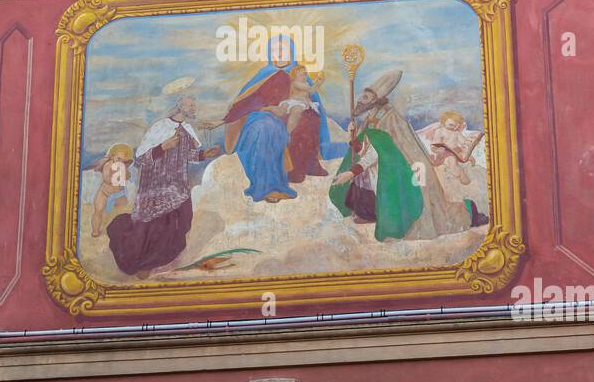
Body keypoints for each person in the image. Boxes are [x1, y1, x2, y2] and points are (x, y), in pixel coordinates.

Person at [329, 69, 482, 242]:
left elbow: (376, 154)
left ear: (375, 100)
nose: (359, 101)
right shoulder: (372, 115)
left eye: (365, 98)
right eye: (361, 97)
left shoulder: (388, 119)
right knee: (363, 185)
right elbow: (361, 146)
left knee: (383, 193)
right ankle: (370, 212)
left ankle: (470, 213)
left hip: (391, 169)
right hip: (373, 169)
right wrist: (354, 133)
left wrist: (351, 172)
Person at [107, 94, 220, 275]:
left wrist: (205, 154)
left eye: (194, 105)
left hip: (178, 185)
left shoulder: (187, 129)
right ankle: (144, 265)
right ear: (179, 106)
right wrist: (162, 147)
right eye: (190, 105)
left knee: (182, 225)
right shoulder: (160, 128)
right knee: (156, 228)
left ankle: (163, 259)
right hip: (156, 187)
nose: (193, 108)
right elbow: (141, 157)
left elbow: (188, 155)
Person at [221, 35, 344, 203]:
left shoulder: (298, 75)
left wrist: (302, 110)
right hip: (260, 115)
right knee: (264, 126)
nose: (277, 54)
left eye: (281, 50)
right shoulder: (263, 74)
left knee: (282, 127)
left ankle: (285, 177)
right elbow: (247, 98)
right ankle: (267, 187)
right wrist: (236, 107)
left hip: (284, 116)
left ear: (291, 52)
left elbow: (312, 102)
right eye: (273, 51)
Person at [90, 143, 134, 237]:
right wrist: (116, 174)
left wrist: (124, 172)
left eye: (123, 160)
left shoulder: (123, 167)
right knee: (98, 211)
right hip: (104, 192)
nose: (120, 161)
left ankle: (121, 231)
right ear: (112, 156)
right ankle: (95, 231)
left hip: (118, 194)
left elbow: (128, 176)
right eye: (118, 158)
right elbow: (107, 179)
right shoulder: (108, 165)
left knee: (121, 212)